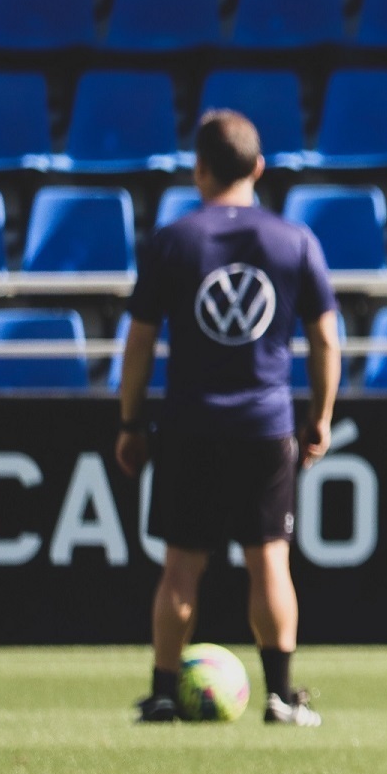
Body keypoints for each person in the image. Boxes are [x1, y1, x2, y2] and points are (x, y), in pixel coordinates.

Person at [116, 110, 340, 727]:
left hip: (189, 424)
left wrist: (131, 423)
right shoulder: (295, 240)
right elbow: (326, 340)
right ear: (259, 168)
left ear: (200, 169)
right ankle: (281, 696)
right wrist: (319, 417)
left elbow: (137, 345)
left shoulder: (173, 240)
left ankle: (162, 695)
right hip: (265, 425)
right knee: (270, 559)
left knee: (181, 564)